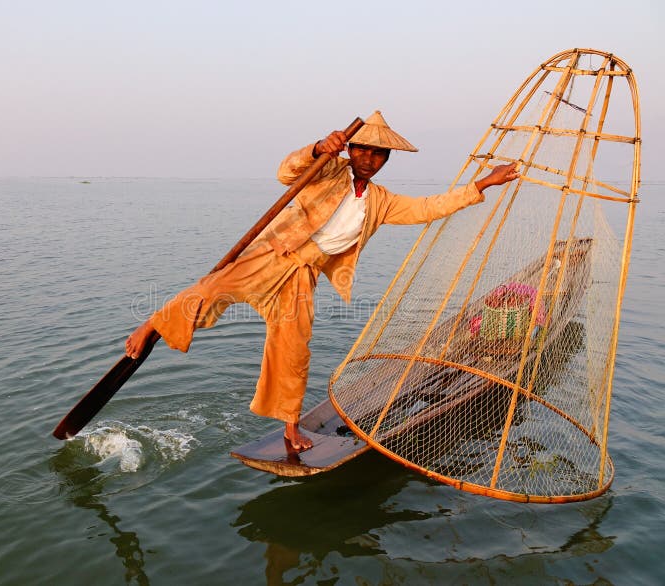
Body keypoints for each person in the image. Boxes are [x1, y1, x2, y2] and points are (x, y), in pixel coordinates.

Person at [125, 111, 519, 451]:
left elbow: (428, 208)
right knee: (212, 292)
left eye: (378, 153)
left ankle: (290, 425)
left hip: (303, 275)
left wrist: (483, 184)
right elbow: (286, 172)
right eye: (362, 149)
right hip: (273, 254)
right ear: (350, 150)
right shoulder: (328, 170)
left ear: (386, 159)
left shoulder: (380, 202)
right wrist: (317, 148)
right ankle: (153, 324)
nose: (368, 158)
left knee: (293, 347)